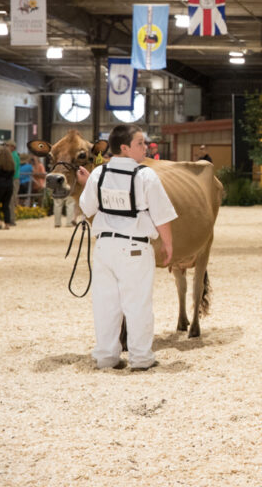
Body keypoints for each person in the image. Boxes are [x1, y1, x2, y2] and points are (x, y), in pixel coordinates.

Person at [76, 123, 176, 371]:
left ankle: (106, 357)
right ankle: (141, 358)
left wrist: (89, 183)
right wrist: (168, 243)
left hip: (104, 248)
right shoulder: (145, 175)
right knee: (138, 304)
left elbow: (87, 208)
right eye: (140, 143)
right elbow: (161, 216)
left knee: (105, 304)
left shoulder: (98, 174)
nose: (145, 147)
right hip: (134, 248)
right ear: (124, 148)